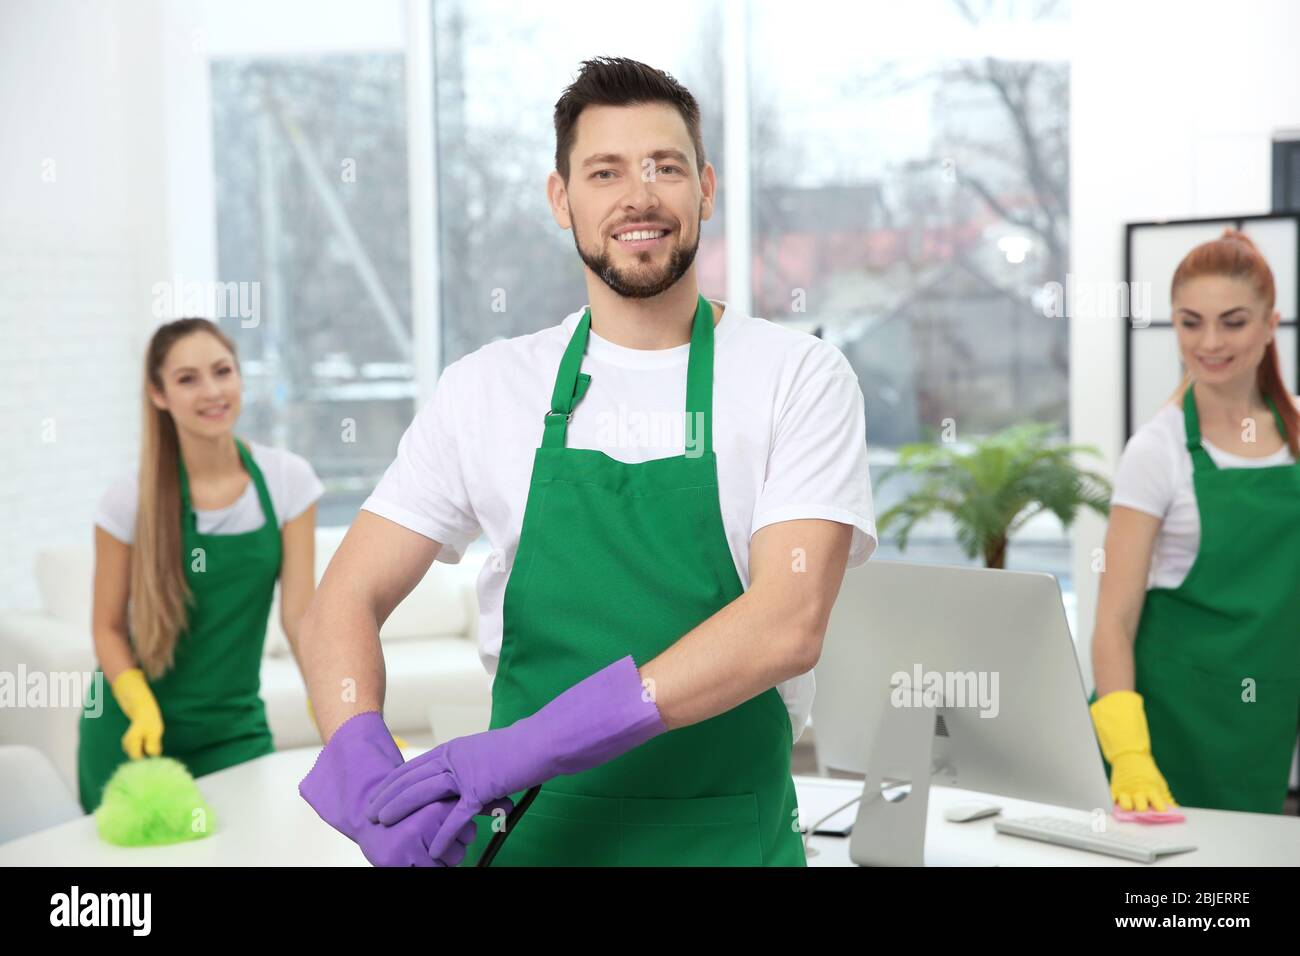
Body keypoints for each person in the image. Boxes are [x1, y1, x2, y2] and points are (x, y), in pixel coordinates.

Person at [296, 56, 877, 867]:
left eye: (664, 167)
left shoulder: (798, 377)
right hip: (529, 840)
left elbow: (788, 622)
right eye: (604, 171)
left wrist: (535, 743)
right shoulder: (488, 389)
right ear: (561, 199)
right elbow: (343, 600)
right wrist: (360, 751)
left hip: (724, 838)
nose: (639, 195)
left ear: (705, 187)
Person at [1090, 229, 1300, 815]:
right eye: (1190, 322)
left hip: (1261, 724)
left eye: (1233, 322)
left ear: (1269, 324)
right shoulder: (1158, 451)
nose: (1210, 341)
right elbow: (1113, 617)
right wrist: (1129, 751)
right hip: (1162, 723)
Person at [77, 317, 324, 814]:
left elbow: (301, 619)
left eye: (222, 371)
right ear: (159, 393)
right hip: (132, 736)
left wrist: (341, 717)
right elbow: (105, 627)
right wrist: (139, 706)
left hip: (233, 732)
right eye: (187, 379)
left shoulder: (286, 481)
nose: (212, 391)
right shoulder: (129, 500)